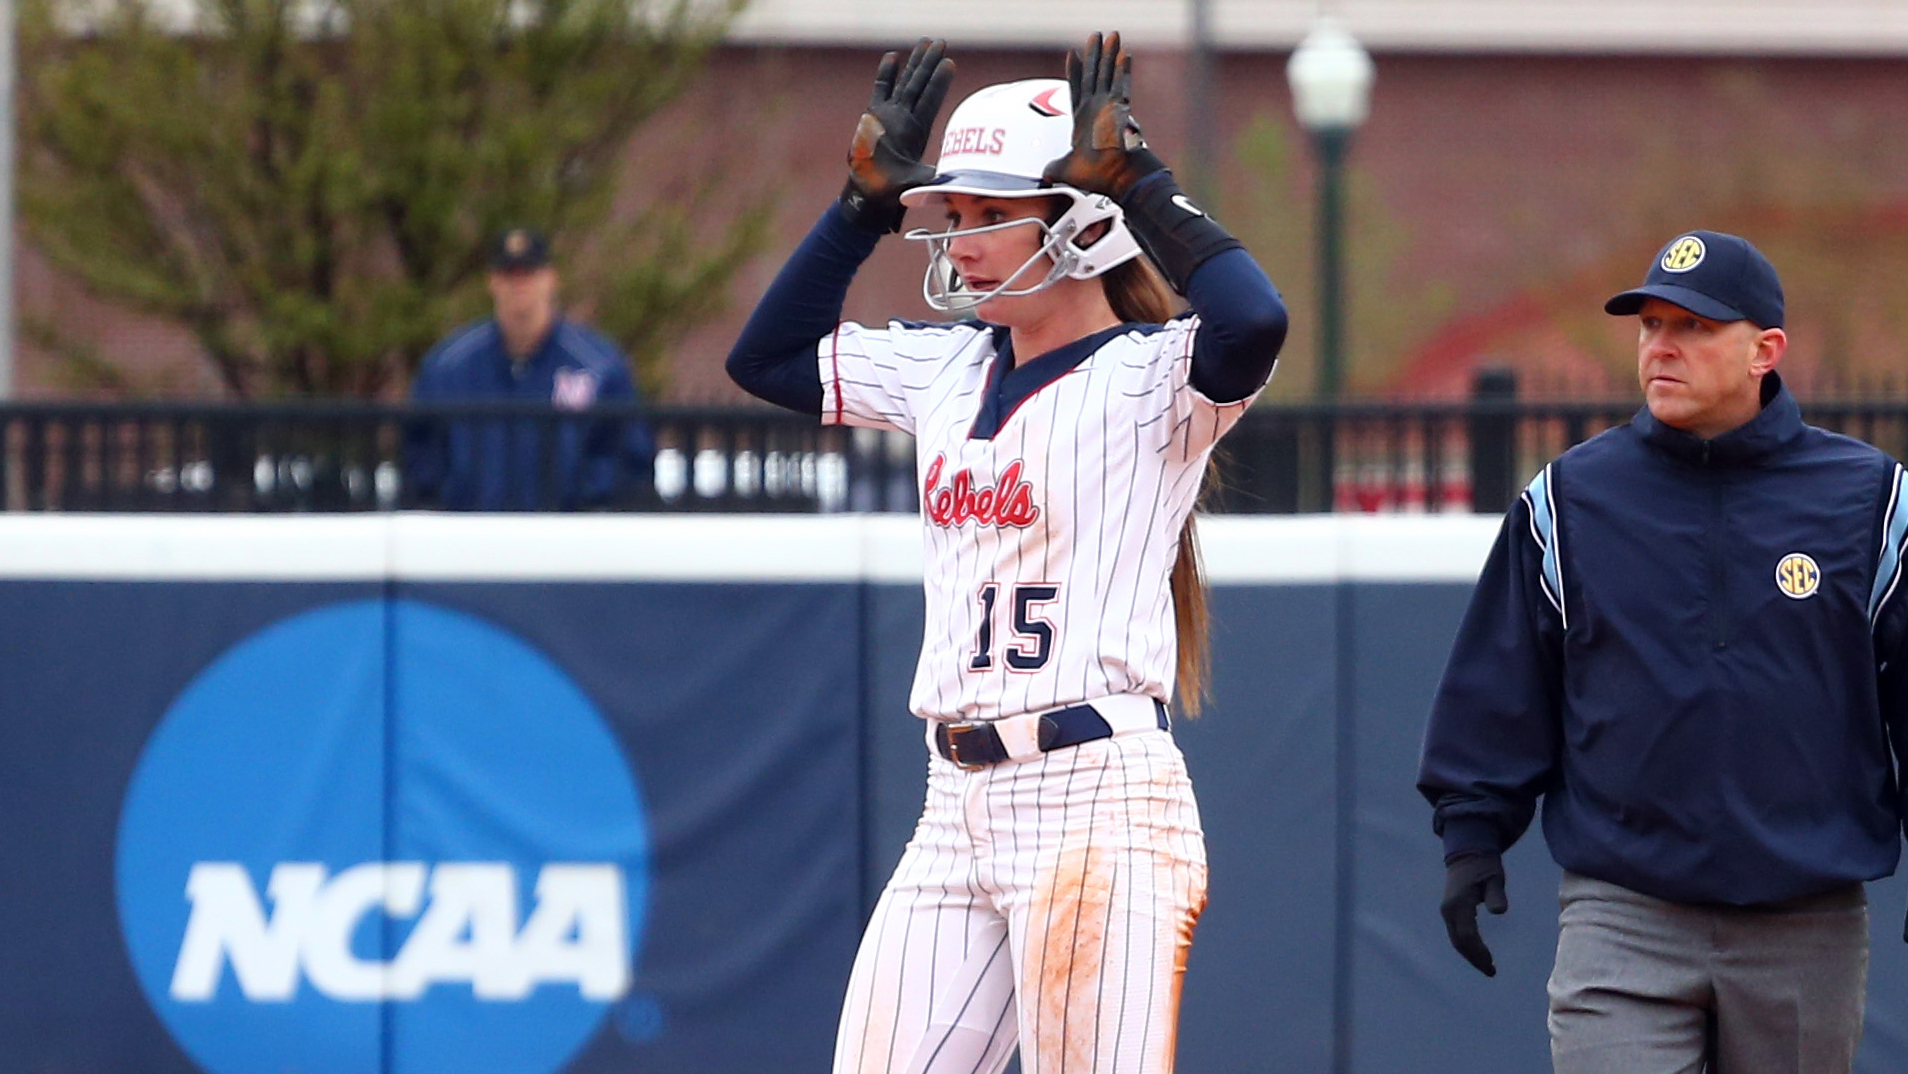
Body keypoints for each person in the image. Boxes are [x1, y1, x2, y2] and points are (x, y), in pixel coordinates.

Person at [726, 33, 1287, 1074]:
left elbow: (1256, 318)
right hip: (956, 800)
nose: (964, 238)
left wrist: (1141, 182)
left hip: (1098, 802)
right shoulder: (948, 368)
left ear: (1080, 224)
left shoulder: (1146, 378)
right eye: (956, 214)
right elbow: (763, 359)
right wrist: (857, 212)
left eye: (995, 214)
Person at [1418, 230, 1908, 1073]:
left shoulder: (1872, 500)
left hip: (1805, 919)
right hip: (1624, 914)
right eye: (1650, 325)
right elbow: (1502, 682)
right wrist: (1472, 838)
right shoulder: (1568, 500)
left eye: (1694, 326)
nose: (1662, 347)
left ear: (1766, 350)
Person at [406, 227, 652, 510]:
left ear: (550, 279)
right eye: (508, 274)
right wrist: (454, 500)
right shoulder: (449, 366)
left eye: (529, 273)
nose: (519, 284)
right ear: (492, 282)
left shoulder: (597, 364)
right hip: (473, 540)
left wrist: (583, 504)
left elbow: (627, 453)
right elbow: (419, 452)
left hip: (565, 542)